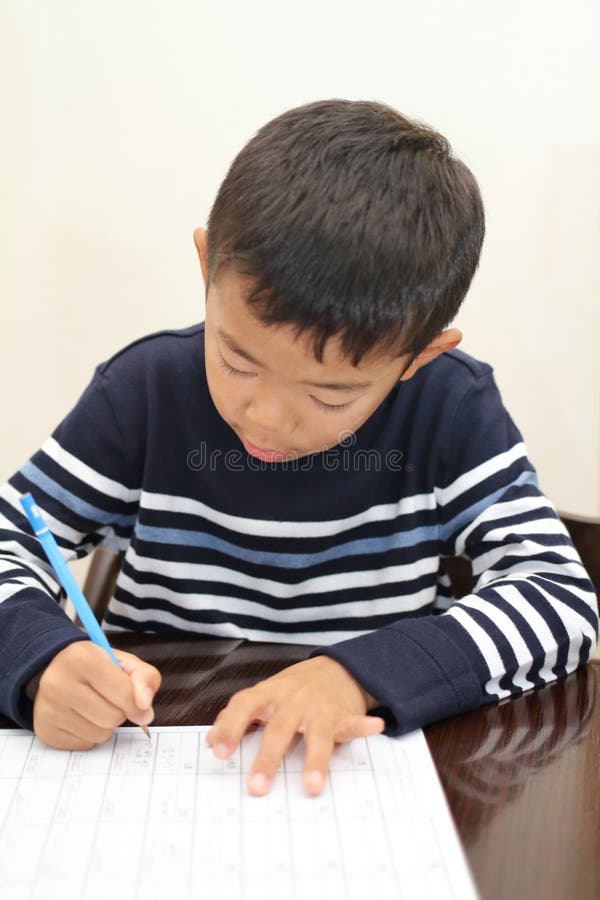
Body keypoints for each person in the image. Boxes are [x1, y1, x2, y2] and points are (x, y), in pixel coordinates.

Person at [0, 100, 596, 798]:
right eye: (237, 359)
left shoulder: (449, 409)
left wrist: (358, 674)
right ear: (207, 268)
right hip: (157, 754)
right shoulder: (145, 393)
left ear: (417, 358)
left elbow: (560, 599)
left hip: (361, 765)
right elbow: (10, 539)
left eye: (330, 395)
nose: (267, 417)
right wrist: (41, 658)